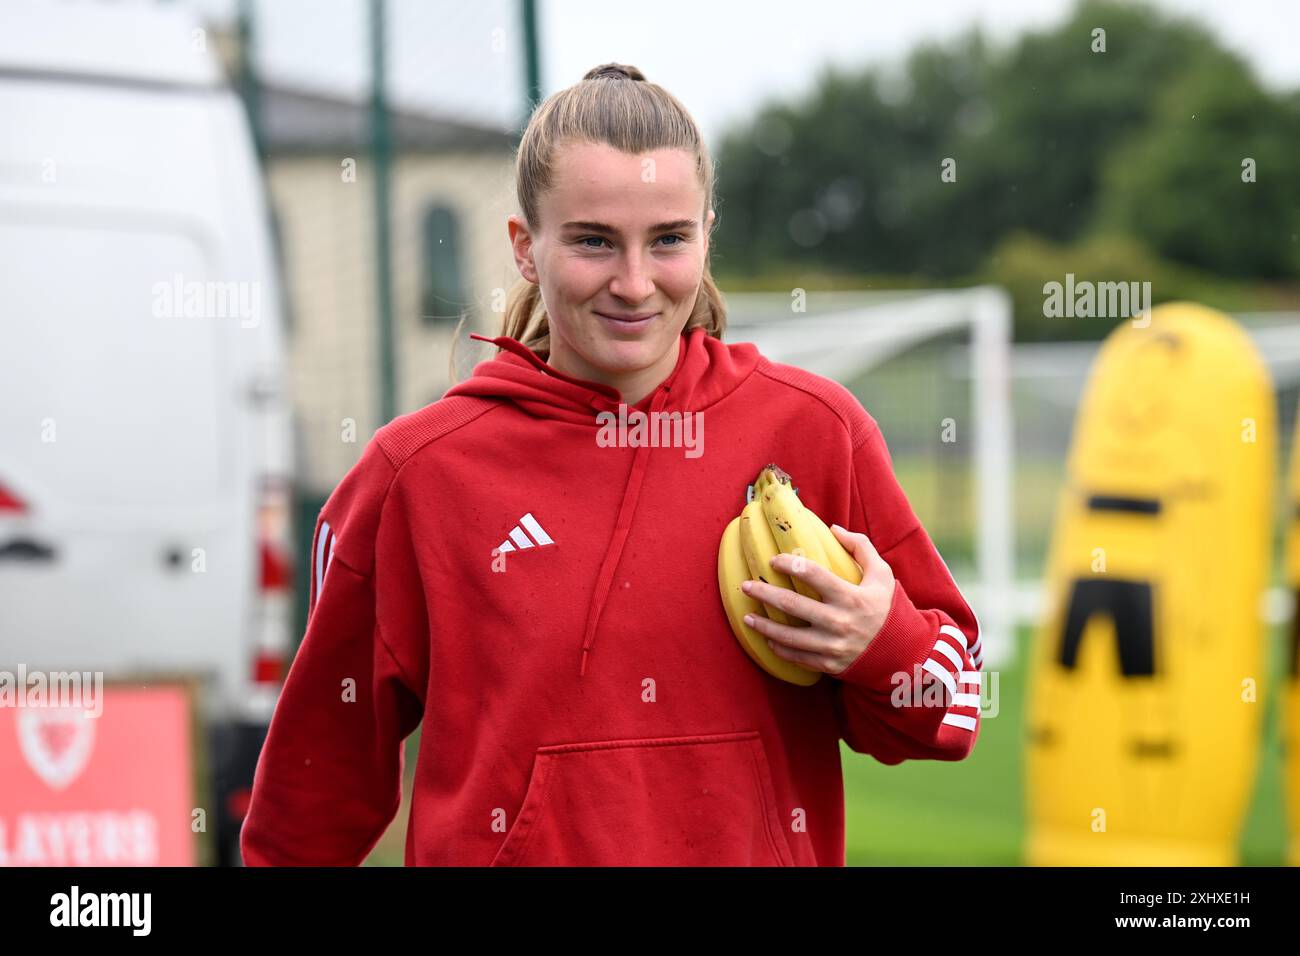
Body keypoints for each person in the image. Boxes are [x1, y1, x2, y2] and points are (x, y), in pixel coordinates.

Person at [240, 62, 983, 867]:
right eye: (594, 241)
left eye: (668, 240)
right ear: (526, 248)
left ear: (706, 232)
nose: (634, 285)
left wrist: (884, 644)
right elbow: (308, 802)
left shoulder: (815, 431)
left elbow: (952, 714)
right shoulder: (416, 474)